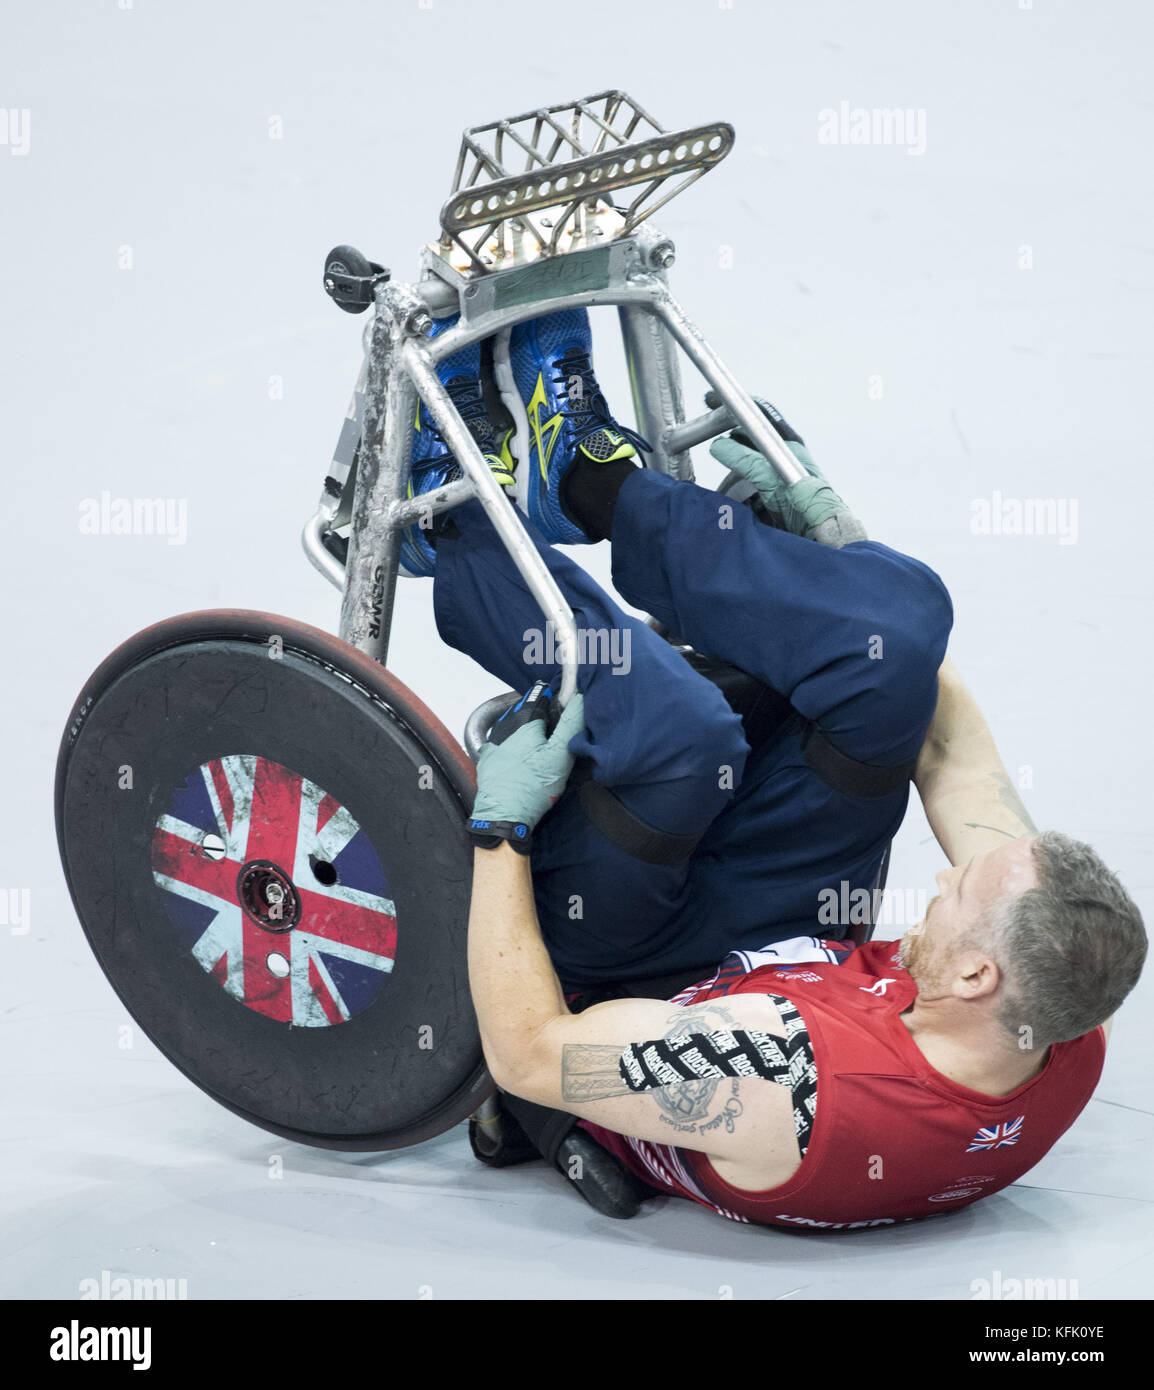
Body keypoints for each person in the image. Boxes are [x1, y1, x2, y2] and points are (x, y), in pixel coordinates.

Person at [401, 306, 1147, 1228]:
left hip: (624, 972)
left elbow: (526, 1052)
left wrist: (502, 832)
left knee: (681, 734)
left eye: (959, 893)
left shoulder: (766, 1078)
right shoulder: (1064, 1010)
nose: (947, 869)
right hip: (790, 932)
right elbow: (954, 749)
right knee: (900, 643)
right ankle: (591, 480)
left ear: (975, 980)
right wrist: (835, 557)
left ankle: (456, 527)